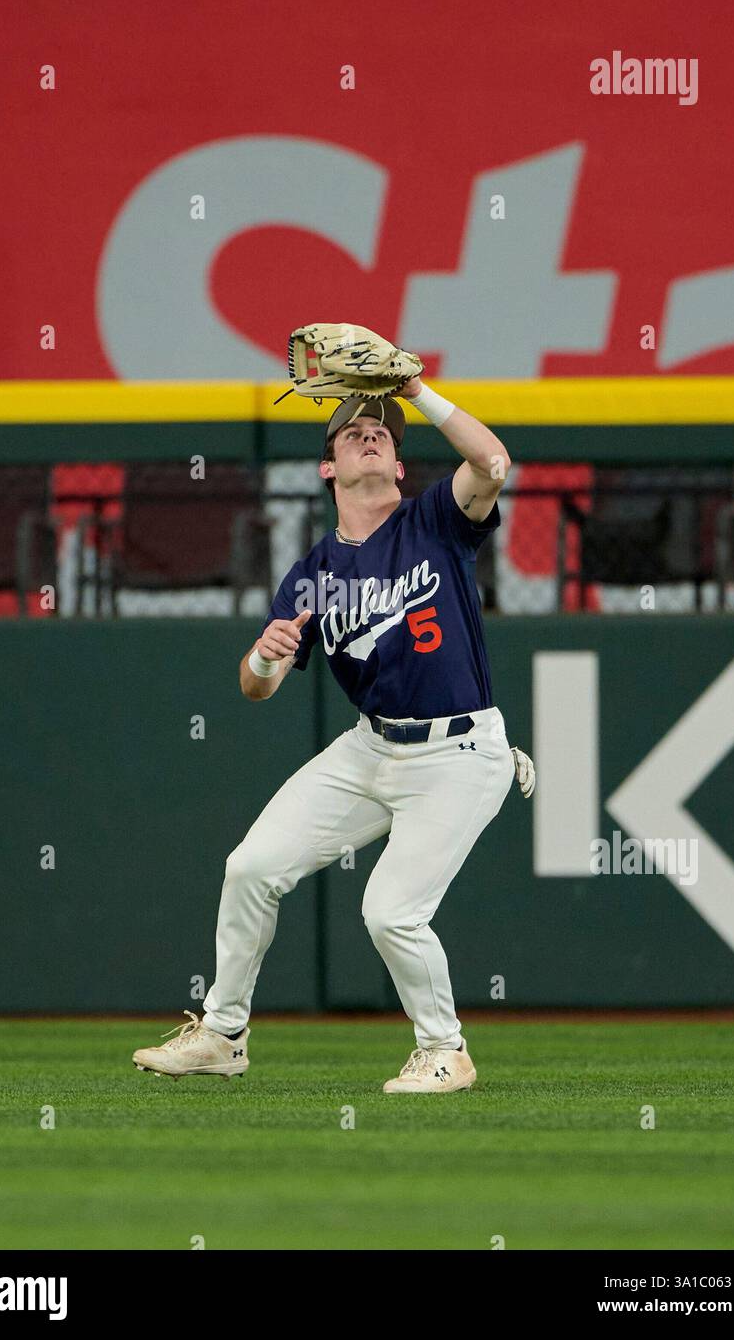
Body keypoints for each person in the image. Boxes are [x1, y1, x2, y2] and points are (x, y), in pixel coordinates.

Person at [133, 376, 534, 1092]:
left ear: (401, 465)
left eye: (383, 431)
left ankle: (446, 1050)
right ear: (329, 468)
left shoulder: (434, 520)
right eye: (353, 432)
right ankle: (223, 1035)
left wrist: (415, 388)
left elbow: (493, 463)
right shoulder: (314, 573)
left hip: (458, 751)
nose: (371, 434)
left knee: (389, 912)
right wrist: (265, 653)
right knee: (251, 868)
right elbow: (256, 687)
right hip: (371, 746)